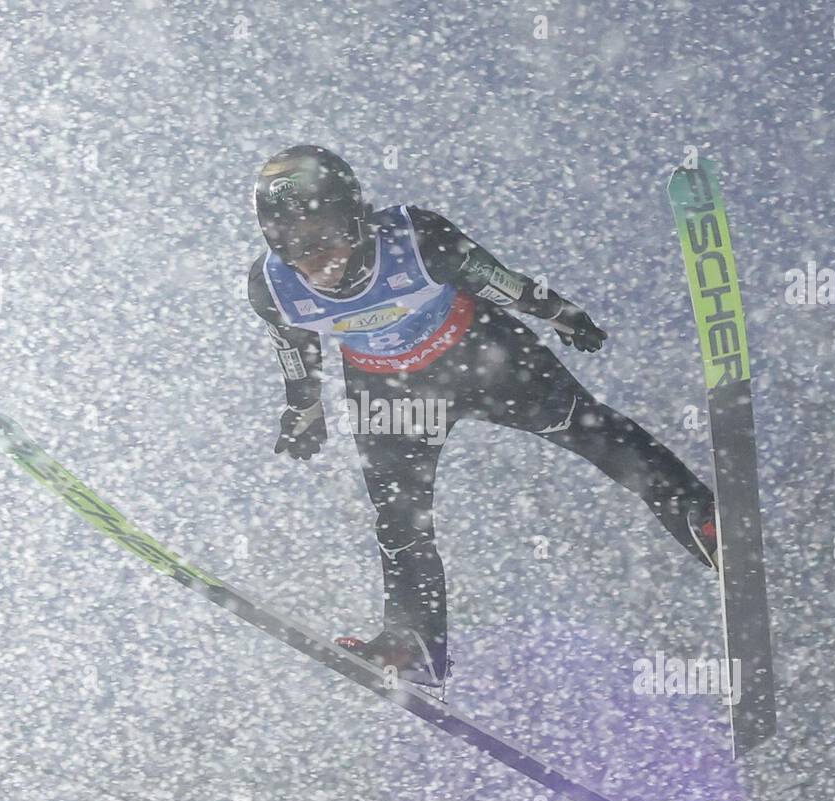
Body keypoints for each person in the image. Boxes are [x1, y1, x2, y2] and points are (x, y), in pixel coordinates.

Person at [247, 144, 716, 686]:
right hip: (390, 394)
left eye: (325, 234)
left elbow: (502, 281)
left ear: (355, 215)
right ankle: (414, 644)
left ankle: (700, 519)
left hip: (482, 357)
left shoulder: (415, 239)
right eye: (291, 245)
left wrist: (562, 315)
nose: (313, 258)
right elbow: (294, 348)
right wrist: (303, 407)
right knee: (399, 523)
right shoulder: (272, 286)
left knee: (591, 431)